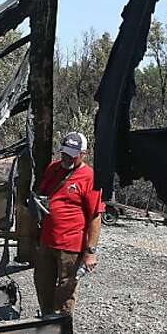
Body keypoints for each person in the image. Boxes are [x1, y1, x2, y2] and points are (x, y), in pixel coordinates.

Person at [34, 131, 103, 320]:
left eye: (71, 156)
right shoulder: (54, 169)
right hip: (47, 239)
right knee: (42, 282)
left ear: (83, 154)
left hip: (71, 245)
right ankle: (47, 318)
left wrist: (90, 252)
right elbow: (42, 194)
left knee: (66, 287)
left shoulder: (89, 177)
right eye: (64, 153)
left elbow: (95, 216)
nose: (66, 158)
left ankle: (62, 328)